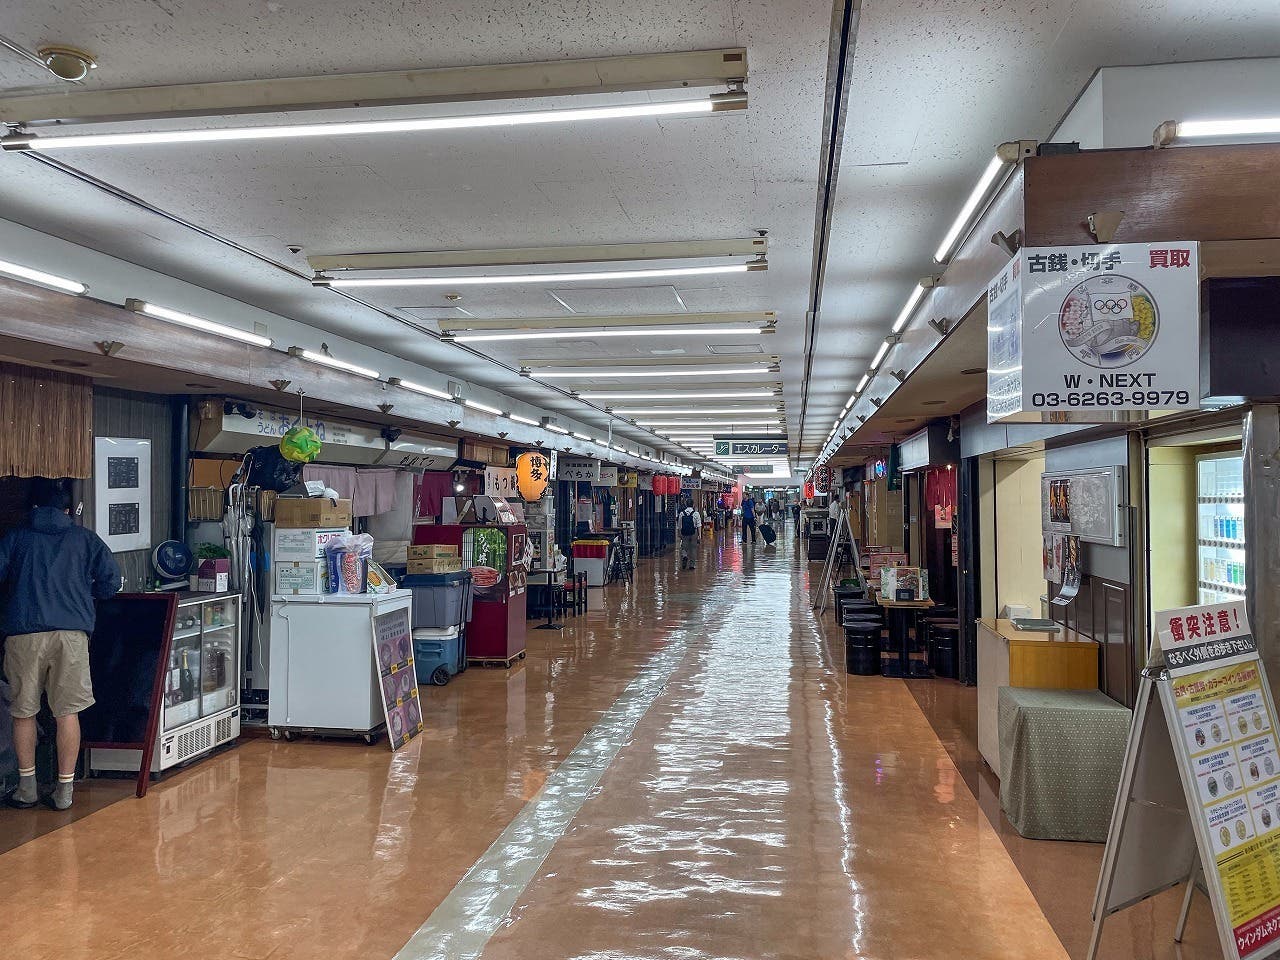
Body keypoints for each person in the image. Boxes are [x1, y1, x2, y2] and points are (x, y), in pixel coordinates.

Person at [0, 478, 119, 810]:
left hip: (23, 633)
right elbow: (112, 582)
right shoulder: (85, 539)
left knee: (23, 712)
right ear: (67, 510)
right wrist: (84, 595)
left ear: (33, 508)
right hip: (72, 635)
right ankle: (65, 792)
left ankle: (27, 788)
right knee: (68, 713)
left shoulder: (15, 538)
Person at [678, 499, 702, 570]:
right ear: (693, 505)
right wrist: (699, 535)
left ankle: (685, 556)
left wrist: (680, 534)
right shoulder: (696, 513)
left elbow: (679, 525)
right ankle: (692, 565)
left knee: (684, 547)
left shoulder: (682, 513)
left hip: (684, 532)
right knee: (693, 549)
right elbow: (699, 525)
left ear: (686, 505)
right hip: (693, 532)